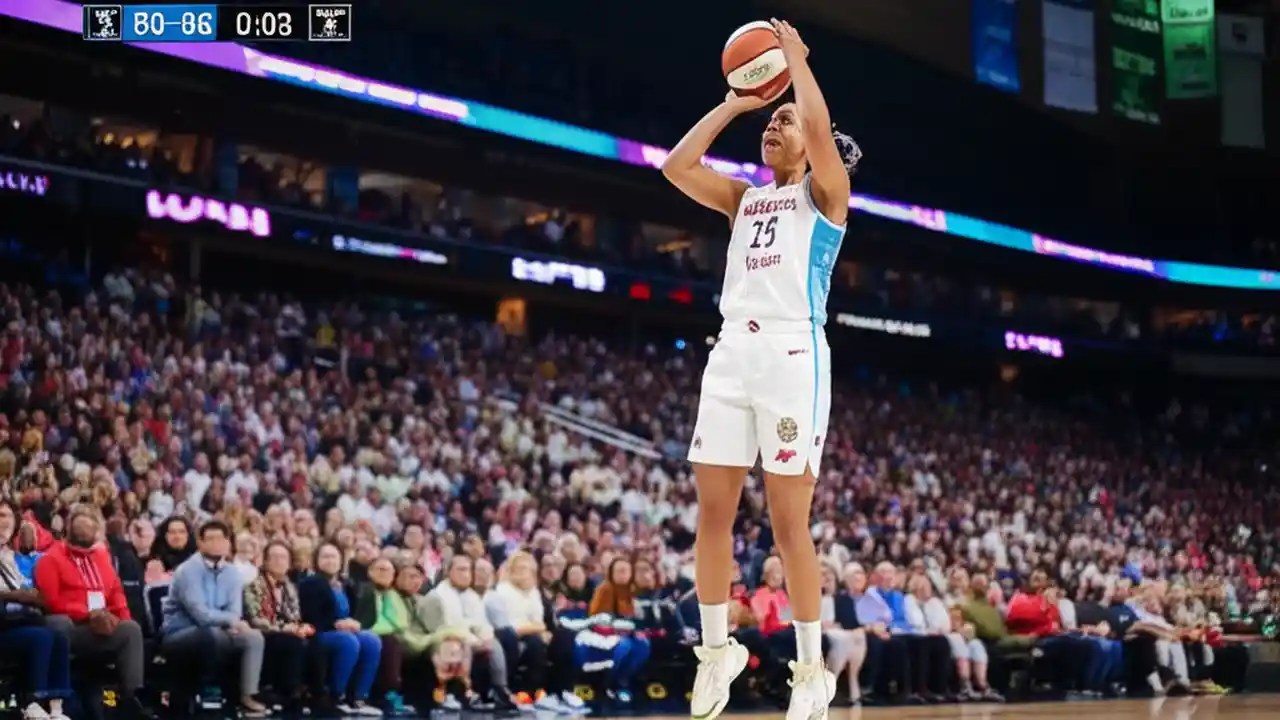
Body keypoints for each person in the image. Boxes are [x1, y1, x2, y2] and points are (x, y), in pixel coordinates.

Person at [661, 18, 861, 720]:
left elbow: (815, 116)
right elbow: (676, 167)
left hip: (791, 356)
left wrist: (797, 68)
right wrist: (737, 102)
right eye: (769, 120)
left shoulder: (825, 197)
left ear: (814, 143)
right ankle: (718, 652)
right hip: (731, 353)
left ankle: (811, 672)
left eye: (784, 120)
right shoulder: (745, 199)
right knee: (711, 511)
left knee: (786, 523)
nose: (773, 126)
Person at [36, 505, 151, 718]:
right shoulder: (50, 559)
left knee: (131, 629)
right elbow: (51, 602)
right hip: (73, 627)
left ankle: (132, 697)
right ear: (69, 528)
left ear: (98, 531)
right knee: (58, 624)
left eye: (90, 525)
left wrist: (118, 619)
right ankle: (58, 700)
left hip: (101, 626)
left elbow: (116, 593)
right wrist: (87, 613)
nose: (84, 530)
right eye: (80, 525)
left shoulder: (102, 558)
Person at [160, 520, 268, 717]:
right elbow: (200, 615)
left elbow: (235, 611)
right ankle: (208, 692)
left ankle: (246, 695)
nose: (217, 543)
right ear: (200, 543)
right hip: (180, 632)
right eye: (210, 538)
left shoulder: (232, 573)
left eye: (221, 538)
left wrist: (233, 622)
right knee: (212, 636)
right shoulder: (187, 571)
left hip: (219, 629)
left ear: (229, 543)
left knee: (254, 637)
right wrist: (231, 621)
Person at [0, 501, 71, 720]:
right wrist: (15, 596)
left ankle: (56, 708)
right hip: (4, 624)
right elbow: (18, 595)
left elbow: (31, 593)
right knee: (40, 638)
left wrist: (30, 597)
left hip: (16, 620)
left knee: (58, 636)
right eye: (0, 516)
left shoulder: (9, 558)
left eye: (8, 517)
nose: (4, 522)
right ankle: (30, 701)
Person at [298, 541, 384, 716]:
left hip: (342, 630)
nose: (330, 561)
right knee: (348, 641)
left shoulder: (346, 584)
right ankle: (336, 695)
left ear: (341, 560)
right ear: (317, 560)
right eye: (325, 556)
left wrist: (355, 623)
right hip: (320, 632)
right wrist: (336, 624)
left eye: (334, 556)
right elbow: (310, 616)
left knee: (371, 639)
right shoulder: (310, 583)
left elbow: (354, 613)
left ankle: (359, 697)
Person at [243, 540, 316, 712]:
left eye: (283, 557)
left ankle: (307, 693)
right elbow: (254, 618)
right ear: (265, 561)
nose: (279, 561)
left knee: (312, 641)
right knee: (289, 642)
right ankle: (286, 692)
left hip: (285, 632)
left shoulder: (290, 587)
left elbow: (295, 616)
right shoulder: (253, 585)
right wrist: (284, 628)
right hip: (262, 633)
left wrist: (299, 627)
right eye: (274, 557)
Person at [353, 556, 415, 714]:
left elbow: (400, 622)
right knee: (390, 642)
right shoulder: (363, 590)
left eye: (389, 571)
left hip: (390, 635)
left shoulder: (393, 595)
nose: (385, 574)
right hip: (366, 632)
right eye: (380, 569)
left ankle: (394, 693)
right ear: (370, 572)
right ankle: (386, 694)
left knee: (399, 642)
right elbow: (363, 620)